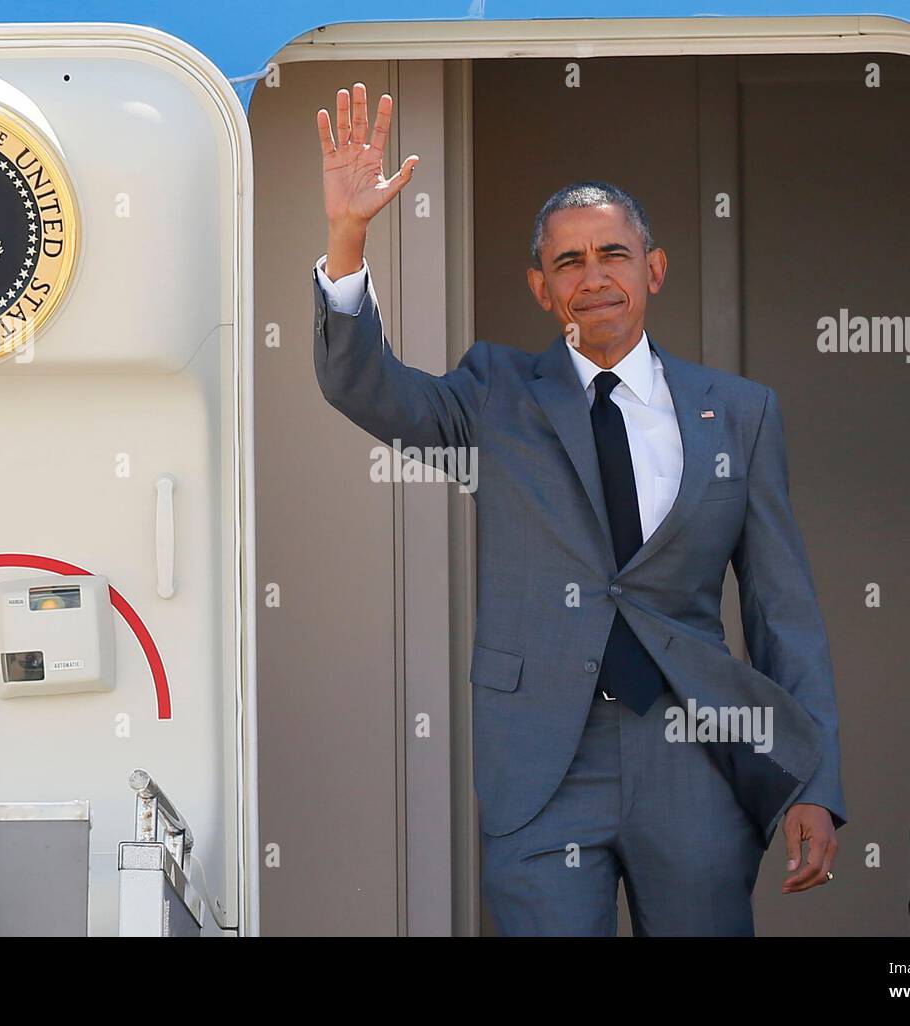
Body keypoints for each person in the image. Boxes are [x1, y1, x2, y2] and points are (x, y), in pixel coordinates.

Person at [311, 82, 844, 936]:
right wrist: (347, 238)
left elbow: (785, 611)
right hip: (544, 762)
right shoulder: (497, 394)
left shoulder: (740, 413)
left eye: (613, 255)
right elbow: (364, 386)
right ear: (541, 288)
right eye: (568, 263)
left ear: (653, 268)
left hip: (694, 756)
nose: (592, 278)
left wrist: (814, 782)